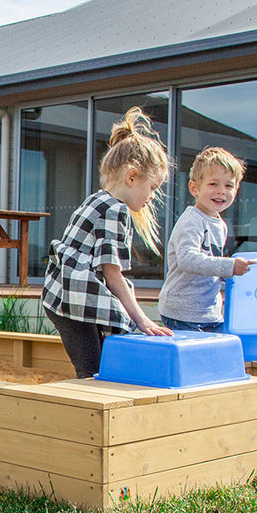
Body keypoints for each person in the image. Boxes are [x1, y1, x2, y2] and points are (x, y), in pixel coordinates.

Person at [43, 107, 173, 378]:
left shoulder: (97, 199)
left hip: (65, 296)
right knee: (93, 371)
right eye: (153, 188)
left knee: (99, 364)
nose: (152, 197)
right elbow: (113, 276)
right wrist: (142, 319)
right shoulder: (116, 210)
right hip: (74, 302)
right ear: (132, 176)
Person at [158, 146, 256, 332]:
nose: (221, 191)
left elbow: (211, 264)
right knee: (195, 358)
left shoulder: (219, 224)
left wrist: (235, 273)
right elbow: (187, 260)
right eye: (213, 184)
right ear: (194, 188)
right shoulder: (192, 220)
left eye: (228, 186)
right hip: (183, 311)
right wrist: (229, 266)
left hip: (207, 310)